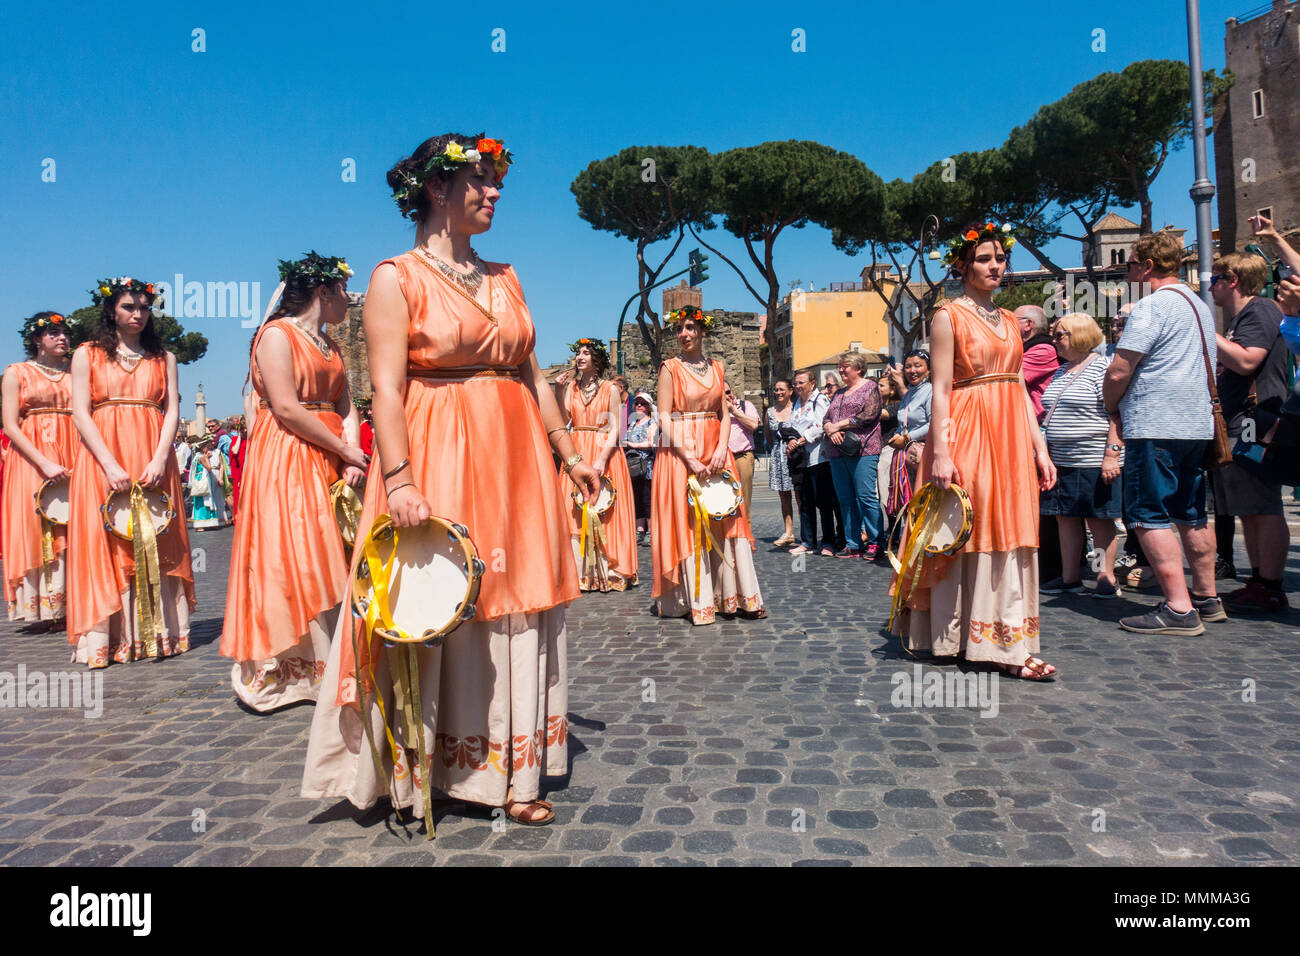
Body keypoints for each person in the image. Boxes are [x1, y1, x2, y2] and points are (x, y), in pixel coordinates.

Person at [303, 132, 598, 830]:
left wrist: (567, 451)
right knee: (450, 596)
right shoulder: (393, 277)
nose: (495, 193)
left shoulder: (508, 276)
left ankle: (515, 769)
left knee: (517, 596)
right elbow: (387, 389)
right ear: (437, 188)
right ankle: (437, 766)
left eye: (498, 182)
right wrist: (399, 479)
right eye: (481, 181)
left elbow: (531, 373)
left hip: (518, 452)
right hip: (438, 449)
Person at [896, 222, 1058, 680]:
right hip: (967, 429)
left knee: (1012, 527)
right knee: (973, 525)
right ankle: (973, 641)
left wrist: (1039, 447)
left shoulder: (1010, 320)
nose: (994, 266)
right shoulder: (948, 316)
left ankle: (1001, 637)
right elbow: (942, 388)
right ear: (963, 266)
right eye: (984, 259)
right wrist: (941, 450)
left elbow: (1021, 389)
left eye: (1000, 259)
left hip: (1009, 431)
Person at [220, 252, 369, 712]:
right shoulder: (275, 336)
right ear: (323, 292)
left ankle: (337, 659)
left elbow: (347, 406)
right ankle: (296, 666)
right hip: (288, 453)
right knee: (298, 549)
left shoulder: (331, 345)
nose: (350, 297)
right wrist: (344, 448)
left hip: (330, 454)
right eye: (344, 289)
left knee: (337, 549)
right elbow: (285, 406)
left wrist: (352, 457)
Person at [67, 276, 195, 667]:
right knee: (109, 537)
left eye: (144, 307)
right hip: (104, 455)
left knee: (158, 533)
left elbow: (172, 409)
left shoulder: (165, 358)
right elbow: (80, 412)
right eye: (128, 306)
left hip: (153, 452)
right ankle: (115, 636)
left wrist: (160, 457)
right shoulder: (86, 354)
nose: (138, 314)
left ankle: (161, 632)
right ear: (111, 310)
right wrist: (108, 463)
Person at [1103, 230, 1221, 635]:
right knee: (1192, 514)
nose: (1128, 272)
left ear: (1148, 267)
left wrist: (1110, 402)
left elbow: (1120, 368)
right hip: (1196, 422)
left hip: (1156, 421)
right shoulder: (1199, 305)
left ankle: (1178, 607)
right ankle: (1206, 597)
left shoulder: (1151, 306)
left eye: (1131, 265)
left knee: (1147, 514)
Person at [651, 306, 765, 623]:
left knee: (725, 516)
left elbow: (724, 415)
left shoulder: (718, 367)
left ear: (702, 332)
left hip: (716, 449)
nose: (684, 334)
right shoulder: (669, 368)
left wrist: (719, 449)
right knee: (689, 521)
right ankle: (695, 599)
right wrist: (688, 456)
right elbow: (663, 417)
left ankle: (731, 596)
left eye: (690, 328)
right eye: (679, 329)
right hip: (679, 453)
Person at [1207, 251, 1290, 613]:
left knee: (1264, 504)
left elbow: (1246, 360)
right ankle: (1258, 580)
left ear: (1232, 280)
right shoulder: (1246, 315)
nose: (1210, 287)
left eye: (1214, 280)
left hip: (1257, 420)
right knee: (1249, 507)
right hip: (1243, 420)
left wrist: (1204, 332)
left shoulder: (1261, 311)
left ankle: (1270, 584)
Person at [1038, 313, 1124, 598]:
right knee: (1065, 517)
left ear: (1079, 336)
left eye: (1059, 335)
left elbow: (1115, 414)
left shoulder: (1102, 368)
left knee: (1097, 519)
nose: (1054, 340)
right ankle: (1070, 576)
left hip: (1091, 457)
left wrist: (1111, 455)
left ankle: (1104, 576)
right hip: (1061, 458)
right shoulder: (1063, 370)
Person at [2, 312, 76, 624]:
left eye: (65, 333)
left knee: (73, 523)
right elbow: (9, 424)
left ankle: (72, 603)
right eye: (53, 333)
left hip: (73, 450)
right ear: (36, 339)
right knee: (36, 525)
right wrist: (42, 461)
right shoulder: (16, 372)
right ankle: (40, 605)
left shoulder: (76, 374)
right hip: (32, 457)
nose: (62, 338)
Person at [553, 337, 638, 591]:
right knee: (574, 510)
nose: (580, 357)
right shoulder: (572, 389)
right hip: (577, 448)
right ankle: (580, 572)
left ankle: (608, 571)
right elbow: (563, 419)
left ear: (597, 359)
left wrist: (602, 458)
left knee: (605, 508)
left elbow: (616, 427)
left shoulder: (610, 389)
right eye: (578, 352)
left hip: (605, 451)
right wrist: (559, 391)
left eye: (586, 353)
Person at [823, 351, 886, 561]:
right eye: (840, 366)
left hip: (863, 450)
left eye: (845, 366)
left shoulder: (870, 387)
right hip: (836, 452)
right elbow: (827, 417)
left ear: (858, 368)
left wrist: (838, 425)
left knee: (866, 497)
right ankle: (853, 543)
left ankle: (876, 542)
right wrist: (830, 428)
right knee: (845, 499)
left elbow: (869, 415)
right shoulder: (839, 393)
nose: (841, 370)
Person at [787, 368, 841, 556]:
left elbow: (821, 426)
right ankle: (807, 541)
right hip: (801, 459)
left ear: (812, 384)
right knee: (806, 501)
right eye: (796, 383)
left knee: (824, 502)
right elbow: (792, 426)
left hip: (820, 457)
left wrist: (801, 440)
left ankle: (828, 541)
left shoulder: (820, 400)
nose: (798, 386)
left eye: (801, 382)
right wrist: (790, 441)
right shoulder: (796, 404)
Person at [884, 349, 932, 524]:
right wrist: (897, 434)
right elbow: (903, 422)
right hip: (906, 458)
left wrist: (906, 437)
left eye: (918, 366)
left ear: (929, 369)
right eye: (908, 366)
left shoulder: (930, 391)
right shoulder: (909, 394)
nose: (912, 371)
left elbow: (933, 423)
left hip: (922, 455)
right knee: (909, 503)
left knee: (923, 500)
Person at [1015, 305, 1061, 421]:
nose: (1007, 325)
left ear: (1028, 324)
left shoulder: (1043, 350)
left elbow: (1009, 376)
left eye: (1012, 320)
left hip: (1041, 422)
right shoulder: (1030, 347)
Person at [765, 378, 796, 547]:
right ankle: (788, 531)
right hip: (778, 454)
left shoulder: (797, 408)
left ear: (791, 391)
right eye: (776, 390)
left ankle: (806, 533)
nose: (778, 392)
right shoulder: (770, 412)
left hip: (795, 455)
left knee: (800, 495)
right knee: (784, 497)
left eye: (782, 389)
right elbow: (769, 437)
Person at [624, 392, 658, 543]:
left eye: (642, 403)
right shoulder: (632, 424)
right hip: (632, 466)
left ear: (648, 407)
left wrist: (632, 445)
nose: (638, 405)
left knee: (647, 499)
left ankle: (650, 530)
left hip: (646, 467)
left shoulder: (652, 424)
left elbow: (652, 443)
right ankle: (640, 530)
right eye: (637, 403)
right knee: (636, 498)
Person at [724, 382, 759, 523]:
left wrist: (733, 410)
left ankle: (746, 539)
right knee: (725, 500)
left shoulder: (746, 405)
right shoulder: (715, 409)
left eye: (728, 392)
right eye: (722, 394)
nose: (727, 396)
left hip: (742, 457)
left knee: (744, 500)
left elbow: (753, 425)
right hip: (723, 459)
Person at [188, 439, 230, 529]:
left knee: (202, 502)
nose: (208, 448)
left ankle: (207, 524)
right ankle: (204, 524)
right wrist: (207, 458)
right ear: (203, 448)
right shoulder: (201, 457)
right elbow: (209, 468)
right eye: (206, 447)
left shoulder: (196, 457)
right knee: (206, 500)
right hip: (203, 481)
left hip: (199, 480)